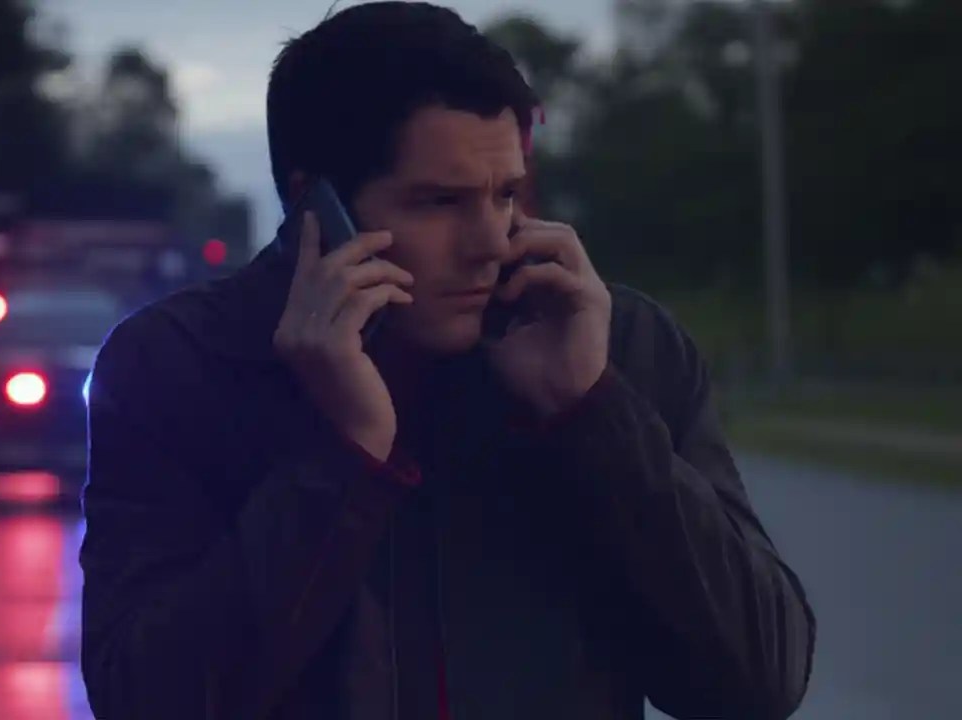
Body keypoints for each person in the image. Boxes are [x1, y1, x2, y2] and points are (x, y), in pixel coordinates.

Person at [78, 2, 816, 718]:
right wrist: (339, 462)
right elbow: (147, 698)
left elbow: (759, 681)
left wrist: (593, 415)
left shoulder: (611, 345)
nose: (491, 243)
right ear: (314, 209)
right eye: (439, 203)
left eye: (504, 195)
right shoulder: (178, 366)